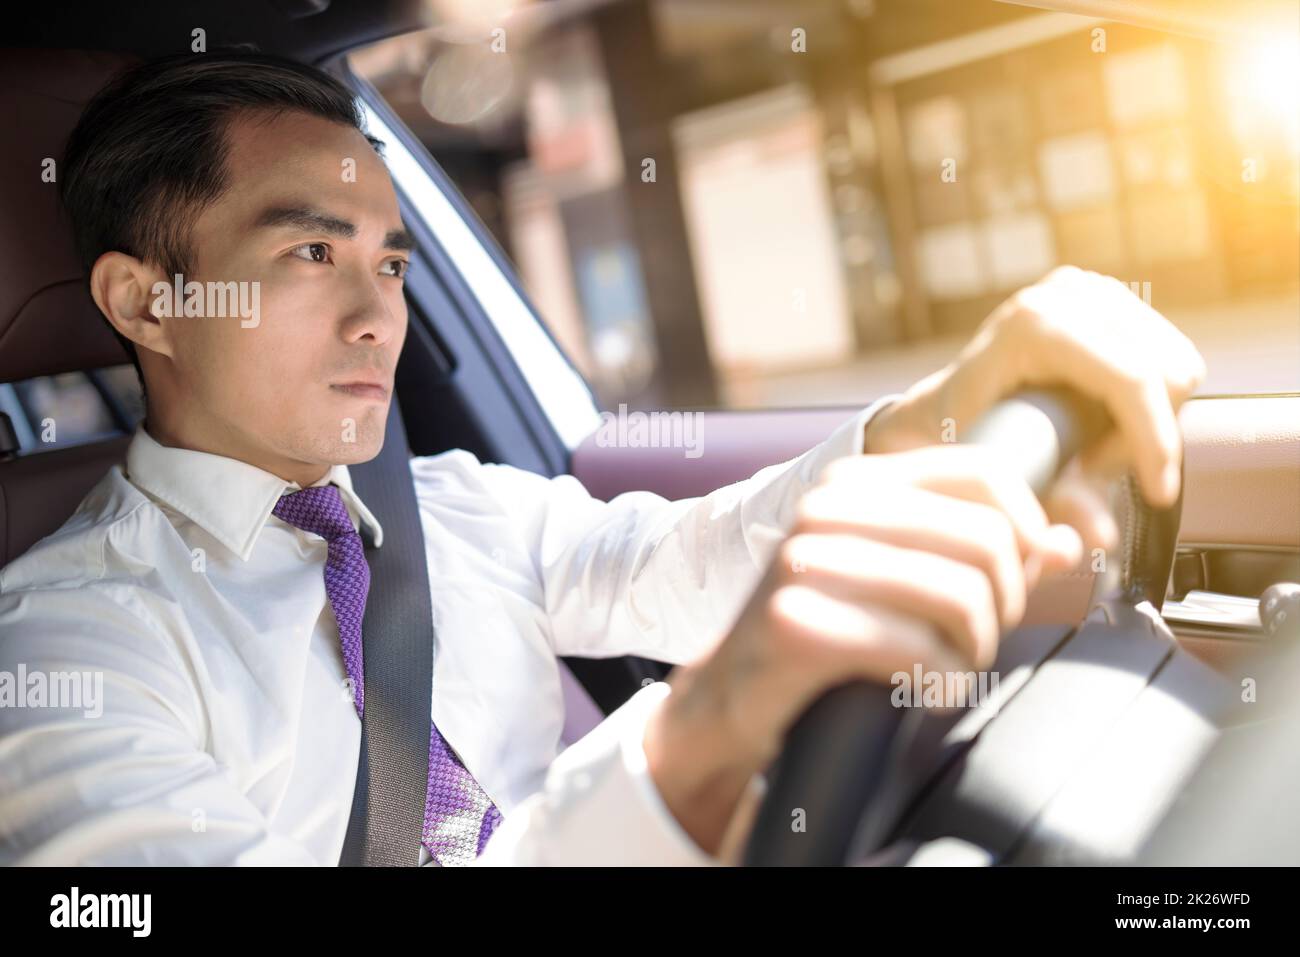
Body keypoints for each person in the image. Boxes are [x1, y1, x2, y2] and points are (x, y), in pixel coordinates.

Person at [0, 52, 1206, 866]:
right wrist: (691, 743)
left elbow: (687, 559)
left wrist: (946, 410)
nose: (380, 315)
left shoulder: (448, 509)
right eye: (313, 256)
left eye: (395, 263)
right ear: (148, 303)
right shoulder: (60, 652)